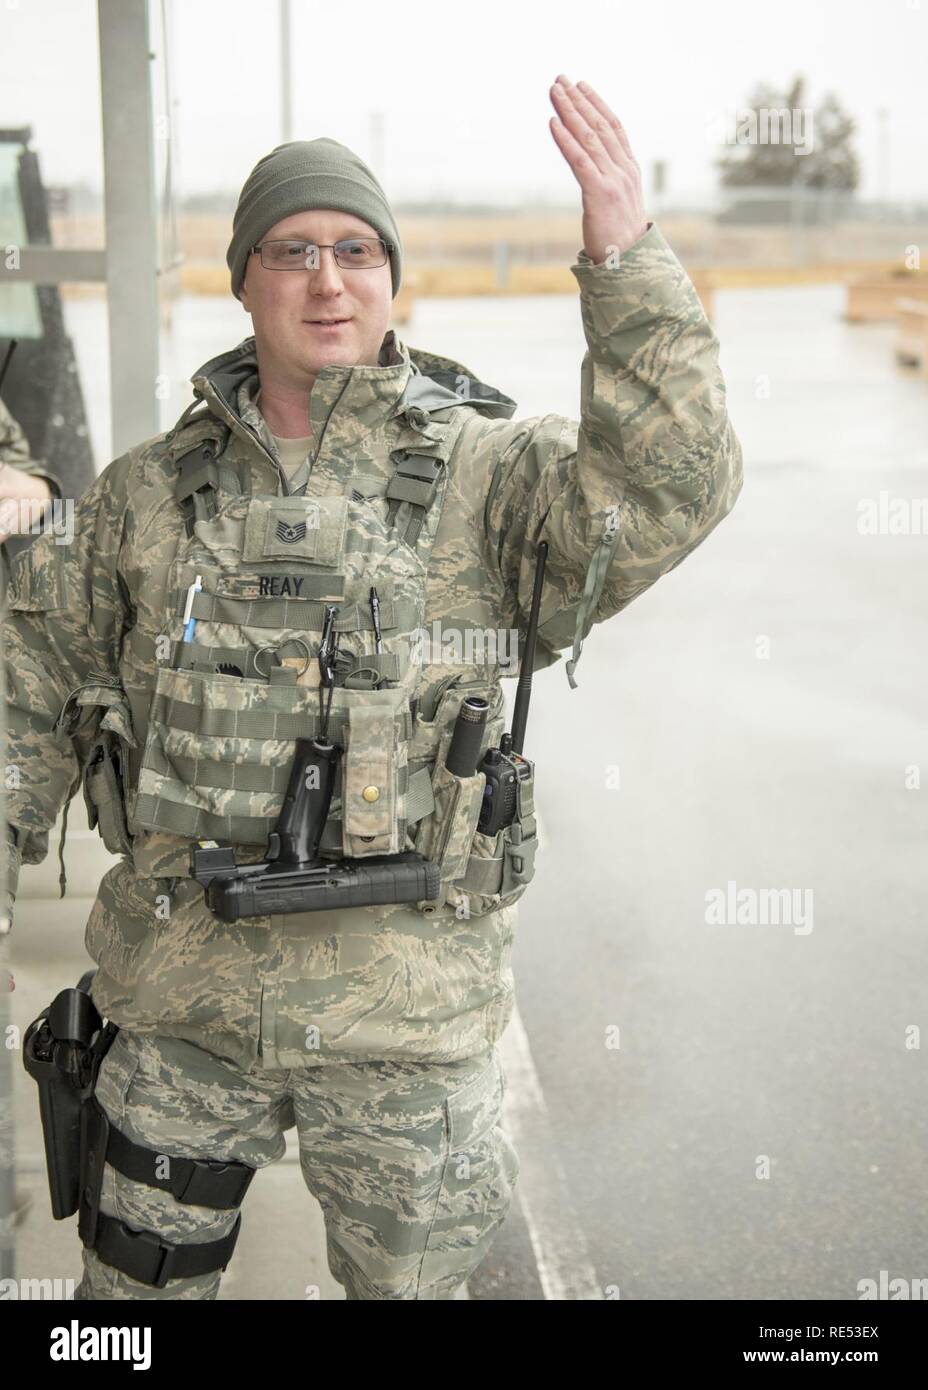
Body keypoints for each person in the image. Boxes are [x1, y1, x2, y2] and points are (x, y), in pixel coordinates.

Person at [2, 77, 742, 1300]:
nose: (327, 280)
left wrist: (625, 259)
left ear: (391, 279)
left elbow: (674, 485)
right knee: (121, 1315)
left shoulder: (493, 480)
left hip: (405, 1038)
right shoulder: (142, 497)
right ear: (245, 281)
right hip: (180, 1017)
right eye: (292, 252)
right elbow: (25, 695)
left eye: (356, 251)